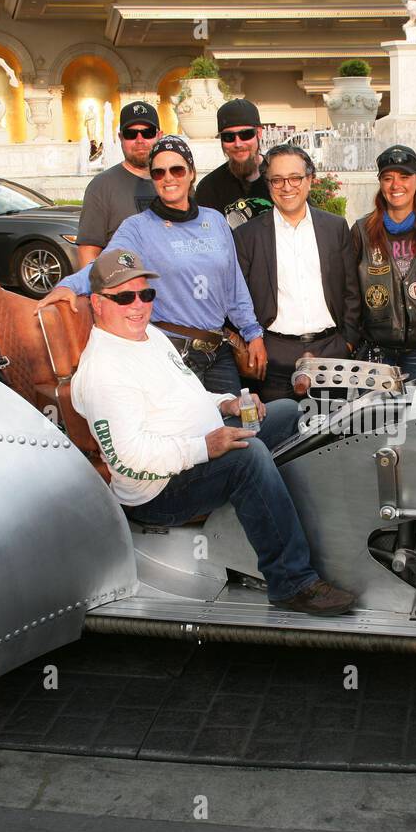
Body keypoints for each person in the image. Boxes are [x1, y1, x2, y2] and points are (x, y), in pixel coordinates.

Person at [70, 248, 356, 617]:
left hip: (201, 446)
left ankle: (327, 534)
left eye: (146, 294)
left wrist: (226, 404)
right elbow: (129, 458)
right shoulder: (103, 371)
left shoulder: (147, 335)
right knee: (247, 458)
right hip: (157, 490)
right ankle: (291, 582)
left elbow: (186, 394)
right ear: (97, 303)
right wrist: (205, 447)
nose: (138, 305)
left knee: (288, 412)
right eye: (124, 297)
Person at [40, 136, 266, 395]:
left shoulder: (214, 221)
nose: (168, 178)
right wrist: (68, 286)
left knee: (235, 417)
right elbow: (106, 266)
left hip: (219, 350)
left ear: (191, 173)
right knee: (188, 420)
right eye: (159, 172)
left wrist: (253, 333)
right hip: (173, 353)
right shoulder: (138, 228)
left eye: (177, 170)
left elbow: (234, 286)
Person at [233, 144, 362, 402]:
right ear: (268, 184)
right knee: (280, 427)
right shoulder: (247, 236)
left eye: (295, 178)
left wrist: (346, 343)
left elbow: (351, 291)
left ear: (310, 180)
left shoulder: (335, 228)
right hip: (273, 359)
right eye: (277, 180)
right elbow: (238, 297)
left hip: (331, 355)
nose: (287, 187)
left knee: (334, 427)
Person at [350, 144, 416, 380]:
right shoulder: (362, 231)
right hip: (377, 349)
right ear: (380, 183)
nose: (396, 185)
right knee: (375, 406)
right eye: (388, 178)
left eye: (404, 177)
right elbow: (349, 290)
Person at [76, 100, 160, 267]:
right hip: (125, 281)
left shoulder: (175, 180)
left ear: (159, 135)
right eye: (131, 134)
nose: (140, 140)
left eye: (147, 133)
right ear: (120, 137)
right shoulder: (102, 186)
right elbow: (88, 251)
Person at [195, 99, 271, 214]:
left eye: (246, 134)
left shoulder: (283, 179)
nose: (238, 144)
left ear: (259, 133)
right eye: (229, 137)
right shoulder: (209, 188)